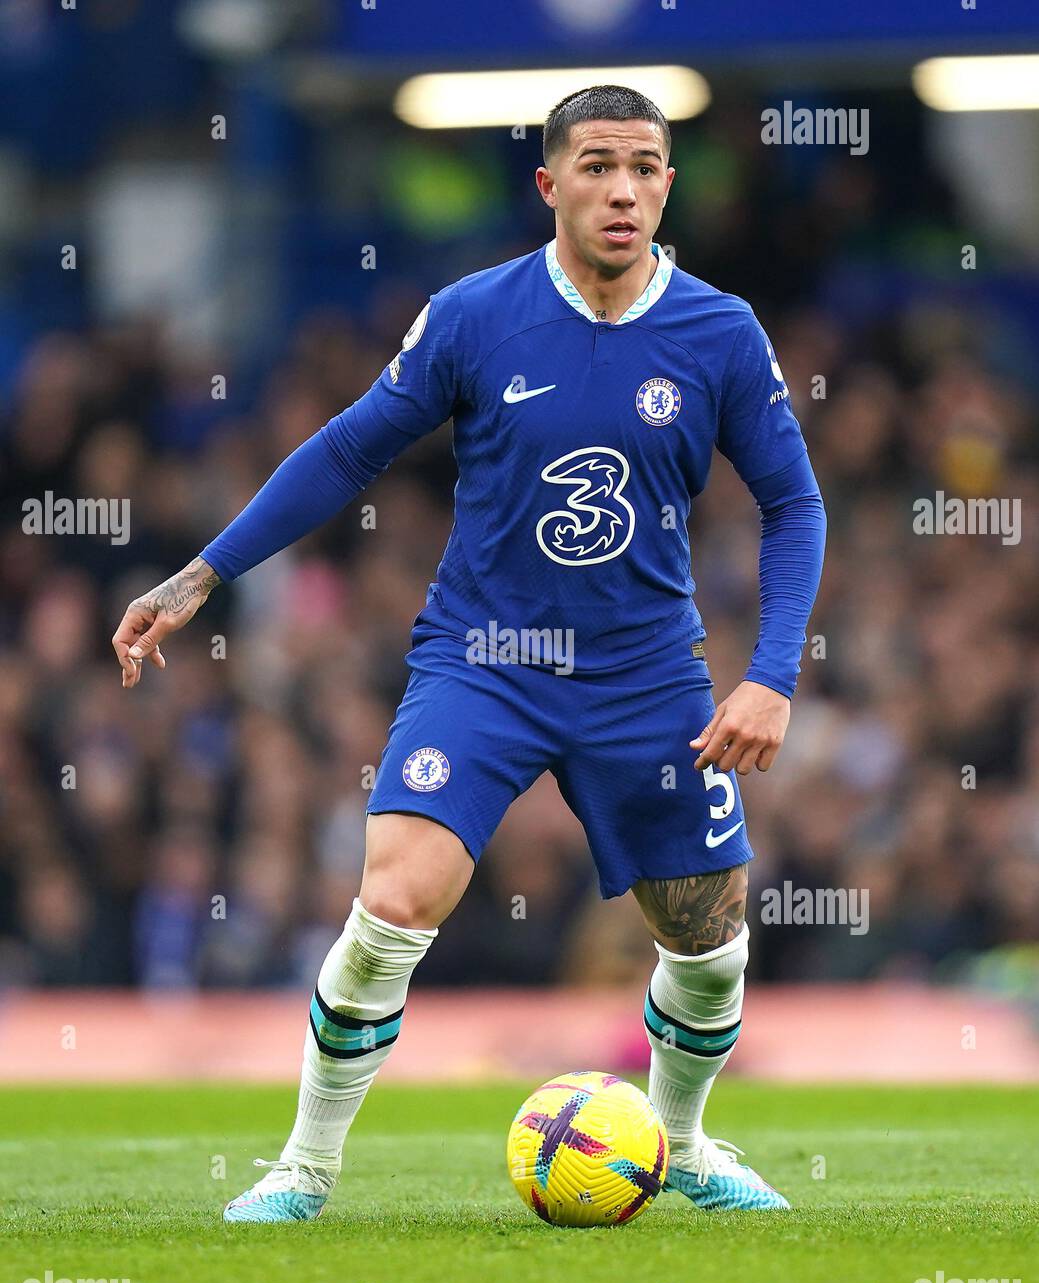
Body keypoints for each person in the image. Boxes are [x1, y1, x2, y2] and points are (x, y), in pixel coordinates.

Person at [111, 86, 826, 1222]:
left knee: (707, 942)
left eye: (645, 167)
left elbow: (793, 504)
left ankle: (681, 1141)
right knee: (394, 899)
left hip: (646, 675)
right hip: (482, 661)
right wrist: (204, 571)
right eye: (597, 166)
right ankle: (302, 1166)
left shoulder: (720, 332)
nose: (624, 189)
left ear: (669, 186)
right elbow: (349, 451)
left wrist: (772, 674)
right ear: (550, 186)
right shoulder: (472, 317)